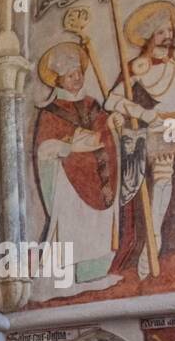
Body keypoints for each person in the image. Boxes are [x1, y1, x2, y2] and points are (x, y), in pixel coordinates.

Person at [104, 0, 175, 278]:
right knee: (164, 179)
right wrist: (142, 113)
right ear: (149, 36)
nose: (168, 36)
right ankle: (152, 241)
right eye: (161, 32)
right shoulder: (139, 67)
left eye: (170, 30)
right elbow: (112, 100)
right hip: (164, 122)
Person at [33, 42, 120, 294]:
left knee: (96, 228)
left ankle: (94, 275)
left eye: (79, 73)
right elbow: (45, 147)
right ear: (58, 79)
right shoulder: (50, 111)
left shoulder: (93, 104)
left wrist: (113, 124)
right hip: (69, 182)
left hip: (99, 177)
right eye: (71, 75)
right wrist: (69, 144)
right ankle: (66, 280)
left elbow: (105, 133)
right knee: (73, 228)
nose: (77, 78)